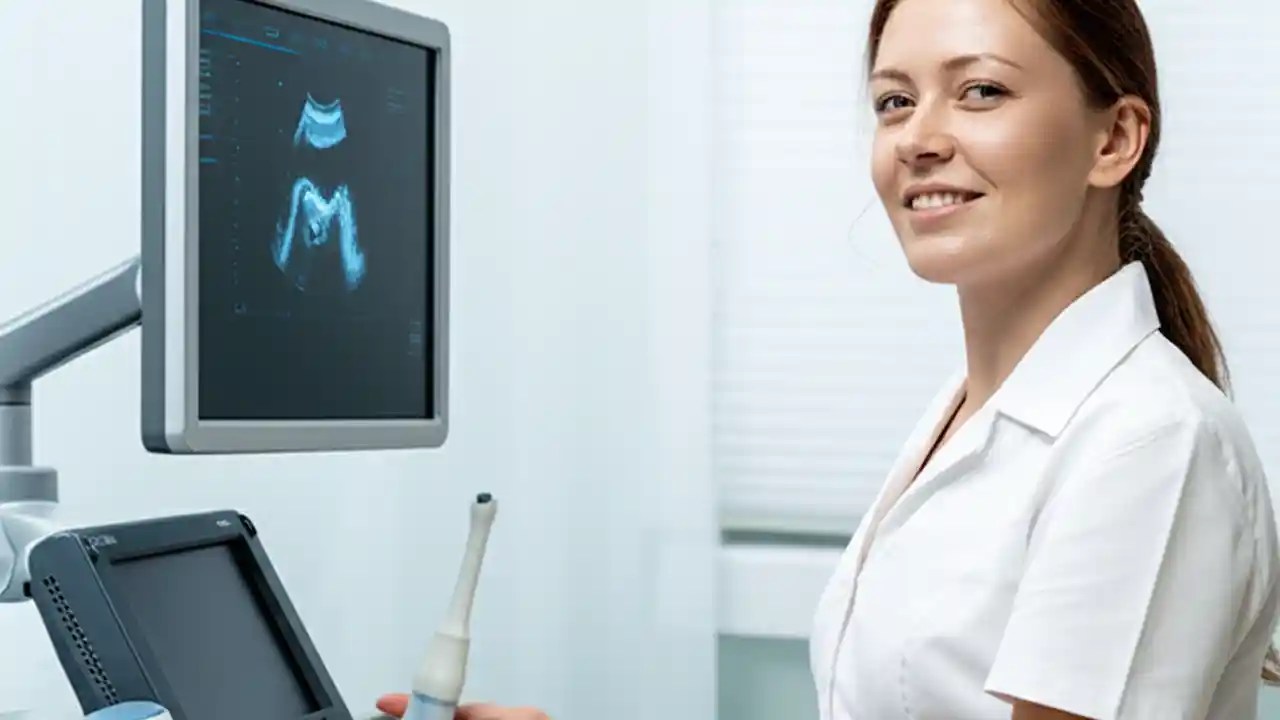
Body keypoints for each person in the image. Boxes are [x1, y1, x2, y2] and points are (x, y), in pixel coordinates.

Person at [376, 0, 1280, 718]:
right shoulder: (972, 415)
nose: (920, 137)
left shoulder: (1147, 442)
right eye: (895, 99)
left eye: (981, 92)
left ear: (1113, 139)